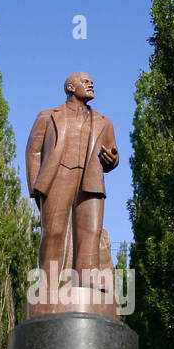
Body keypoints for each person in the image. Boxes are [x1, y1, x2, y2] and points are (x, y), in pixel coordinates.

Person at [26, 72, 118, 299]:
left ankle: (88, 275)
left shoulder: (104, 121)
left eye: (91, 81)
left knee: (90, 231)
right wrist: (36, 187)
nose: (90, 83)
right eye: (84, 81)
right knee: (54, 232)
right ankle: (48, 282)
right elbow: (33, 151)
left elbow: (112, 153)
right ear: (70, 87)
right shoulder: (47, 117)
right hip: (59, 176)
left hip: (91, 179)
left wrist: (112, 159)